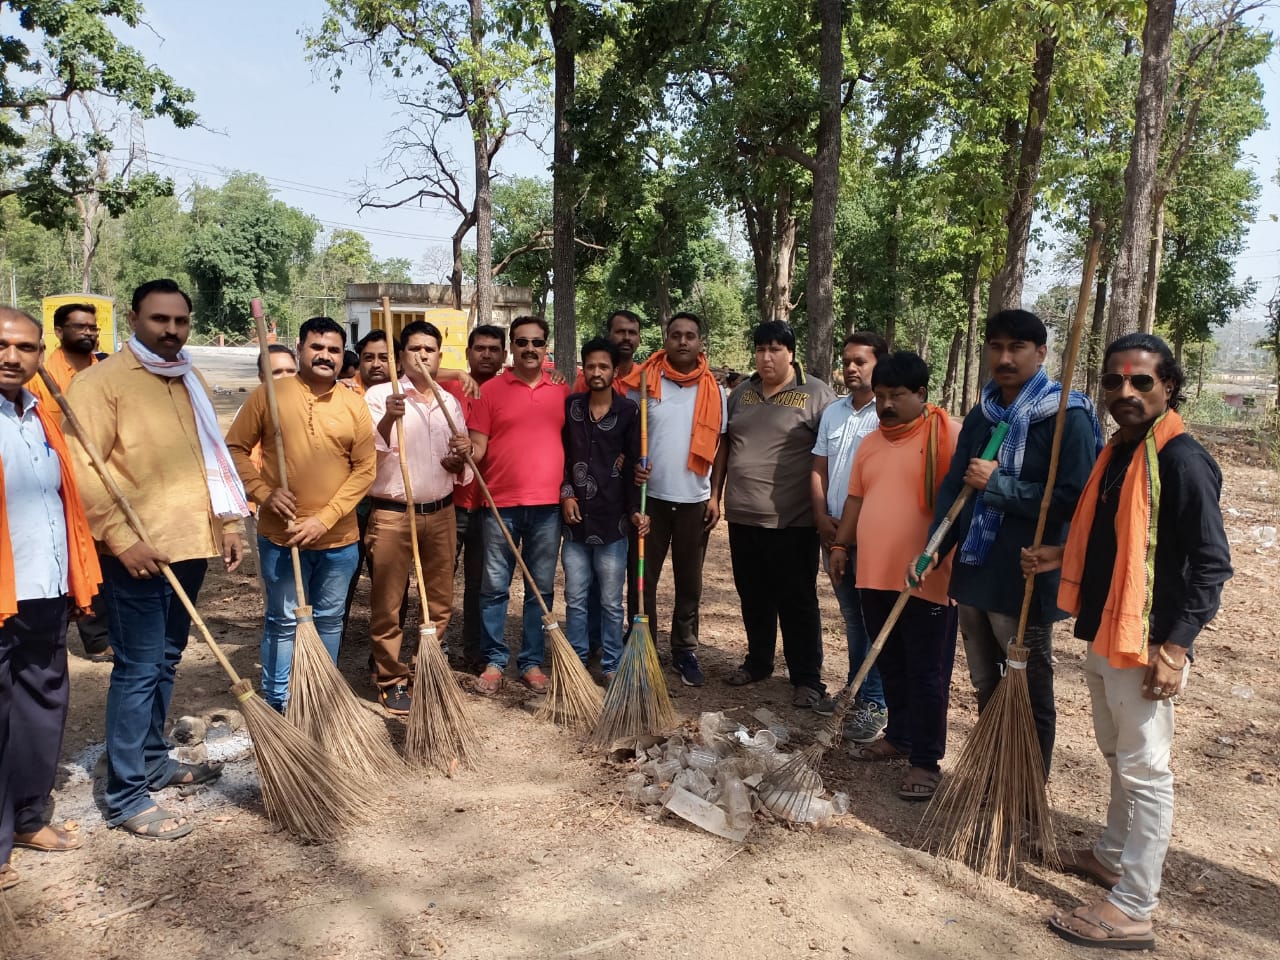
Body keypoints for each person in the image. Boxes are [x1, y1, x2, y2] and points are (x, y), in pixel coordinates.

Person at [1022, 334, 1231, 951]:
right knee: (1117, 755)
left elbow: (1210, 565)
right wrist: (1061, 554)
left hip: (1147, 641)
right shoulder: (1119, 451)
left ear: (1169, 386)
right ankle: (1111, 856)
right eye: (1114, 381)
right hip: (1108, 627)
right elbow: (1118, 539)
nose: (1125, 392)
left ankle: (1135, 906)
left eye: (1142, 381)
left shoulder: (1181, 460)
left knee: (1145, 772)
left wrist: (1176, 648)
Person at [66, 278, 247, 840]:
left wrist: (228, 524)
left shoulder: (188, 375)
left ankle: (151, 762)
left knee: (166, 658)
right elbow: (82, 469)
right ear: (134, 321)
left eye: (180, 321)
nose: (171, 330)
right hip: (137, 554)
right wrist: (122, 539)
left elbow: (209, 456)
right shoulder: (101, 384)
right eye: (159, 320)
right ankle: (126, 796)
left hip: (189, 544)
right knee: (139, 667)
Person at [925, 309, 1102, 775]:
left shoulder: (1067, 417)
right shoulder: (983, 414)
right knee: (986, 683)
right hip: (975, 570)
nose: (1005, 358)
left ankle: (1027, 792)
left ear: (1040, 353)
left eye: (1017, 348)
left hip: (1025, 576)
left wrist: (1000, 485)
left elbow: (1076, 500)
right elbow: (955, 486)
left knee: (1028, 690)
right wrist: (936, 545)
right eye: (997, 347)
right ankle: (994, 775)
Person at [226, 317, 375, 711]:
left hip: (338, 540)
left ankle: (319, 700)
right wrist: (262, 492)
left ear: (342, 356)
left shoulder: (354, 405)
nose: (325, 356)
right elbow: (235, 448)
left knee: (329, 619)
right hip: (283, 536)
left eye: (334, 350)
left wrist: (324, 518)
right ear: (300, 349)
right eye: (317, 347)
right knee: (283, 621)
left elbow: (365, 470)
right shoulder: (270, 396)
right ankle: (278, 702)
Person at [0, 307, 101, 889]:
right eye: (2, 345)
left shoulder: (40, 416)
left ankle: (28, 816)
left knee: (41, 703)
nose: (12, 357)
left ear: (41, 356)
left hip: (44, 587)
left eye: (25, 347)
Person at [829, 351, 959, 801]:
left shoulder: (948, 436)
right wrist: (841, 545)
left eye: (896, 396)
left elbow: (963, 506)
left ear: (921, 394)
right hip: (874, 574)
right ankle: (900, 736)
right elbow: (856, 500)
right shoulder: (870, 443)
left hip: (926, 579)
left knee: (927, 672)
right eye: (880, 395)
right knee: (891, 663)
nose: (885, 405)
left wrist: (935, 556)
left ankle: (925, 760)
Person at [712, 320, 834, 706]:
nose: (766, 357)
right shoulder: (741, 394)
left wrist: (825, 508)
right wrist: (715, 494)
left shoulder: (817, 395)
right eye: (761, 349)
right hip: (743, 515)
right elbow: (726, 445)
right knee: (753, 594)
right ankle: (758, 661)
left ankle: (807, 678)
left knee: (797, 599)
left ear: (791, 353)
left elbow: (829, 456)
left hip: (793, 520)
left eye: (775, 349)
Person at [363, 321, 472, 714]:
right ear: (401, 357)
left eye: (429, 350)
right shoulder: (381, 396)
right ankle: (391, 679)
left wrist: (459, 459)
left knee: (440, 601)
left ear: (439, 356)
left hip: (440, 512)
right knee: (388, 603)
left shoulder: (449, 403)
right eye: (414, 349)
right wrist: (388, 419)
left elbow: (460, 466)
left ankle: (425, 668)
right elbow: (365, 453)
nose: (422, 355)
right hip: (393, 514)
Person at [621, 312, 727, 687]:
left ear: (700, 343)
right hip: (650, 499)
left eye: (690, 336)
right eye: (676, 335)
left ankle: (684, 649)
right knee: (642, 578)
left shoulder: (715, 390)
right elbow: (626, 436)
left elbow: (722, 444)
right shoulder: (644, 382)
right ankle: (642, 646)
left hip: (694, 499)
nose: (683, 341)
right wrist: (632, 474)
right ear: (666, 339)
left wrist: (715, 494)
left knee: (689, 580)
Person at [467, 316, 569, 696]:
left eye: (536, 342)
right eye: (522, 342)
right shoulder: (490, 391)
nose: (529, 349)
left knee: (540, 589)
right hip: (499, 506)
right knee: (494, 588)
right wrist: (465, 450)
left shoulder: (561, 390)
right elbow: (478, 447)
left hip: (548, 507)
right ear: (512, 346)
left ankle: (530, 661)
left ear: (546, 347)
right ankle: (494, 659)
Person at [810, 331, 889, 740]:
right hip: (832, 531)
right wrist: (821, 517)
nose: (851, 368)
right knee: (852, 618)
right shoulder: (834, 412)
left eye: (861, 361)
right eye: (847, 361)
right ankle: (856, 692)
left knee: (875, 619)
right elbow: (818, 468)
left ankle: (876, 702)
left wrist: (851, 531)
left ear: (880, 364)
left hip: (871, 534)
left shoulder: (888, 414)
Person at [29, 302, 112, 662]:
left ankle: (100, 635)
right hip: (58, 485)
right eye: (80, 326)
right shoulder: (40, 377)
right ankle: (61, 636)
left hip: (103, 480)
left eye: (92, 327)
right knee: (65, 557)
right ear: (59, 332)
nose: (88, 332)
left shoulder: (107, 371)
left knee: (103, 558)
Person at [561, 338, 647, 680]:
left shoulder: (629, 412)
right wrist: (567, 493)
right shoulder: (571, 407)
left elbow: (634, 469)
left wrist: (635, 510)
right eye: (591, 366)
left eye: (604, 366)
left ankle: (611, 664)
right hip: (576, 521)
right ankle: (577, 661)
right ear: (584, 369)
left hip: (614, 522)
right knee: (575, 597)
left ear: (614, 372)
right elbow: (563, 456)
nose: (597, 372)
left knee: (611, 602)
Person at [443, 324, 507, 672]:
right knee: (440, 581)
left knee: (481, 585)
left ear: (504, 355)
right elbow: (413, 370)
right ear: (468, 353)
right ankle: (434, 647)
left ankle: (475, 652)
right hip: (450, 502)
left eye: (494, 349)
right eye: (479, 348)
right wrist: (454, 372)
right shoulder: (451, 386)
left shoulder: (506, 389)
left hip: (490, 505)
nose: (486, 354)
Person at [572, 309, 641, 394]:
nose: (626, 337)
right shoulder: (587, 379)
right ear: (608, 335)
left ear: (639, 339)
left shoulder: (647, 377)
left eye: (632, 333)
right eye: (620, 332)